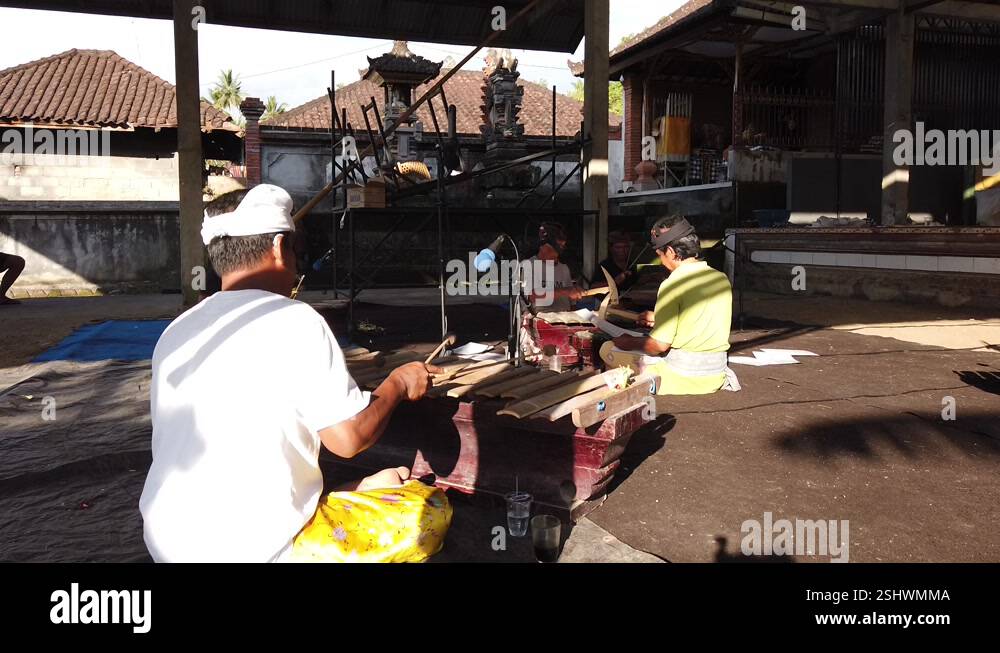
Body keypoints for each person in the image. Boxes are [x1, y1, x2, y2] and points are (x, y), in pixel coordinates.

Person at [139, 184, 451, 562]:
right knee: (428, 510)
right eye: (293, 248)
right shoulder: (294, 318)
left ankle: (352, 492)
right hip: (251, 550)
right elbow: (349, 439)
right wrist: (399, 382)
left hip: (169, 542)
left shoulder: (177, 329)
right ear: (277, 247)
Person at [600, 214, 736, 395]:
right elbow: (699, 317)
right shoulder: (720, 278)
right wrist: (658, 317)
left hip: (682, 377)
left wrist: (628, 342)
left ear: (671, 252)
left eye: (660, 254)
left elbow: (658, 346)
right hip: (715, 374)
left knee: (607, 348)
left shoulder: (672, 284)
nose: (661, 259)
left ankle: (616, 399)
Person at [524, 222, 583, 313]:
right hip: (539, 320)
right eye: (556, 247)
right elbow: (532, 296)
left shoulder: (564, 269)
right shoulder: (528, 266)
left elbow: (572, 304)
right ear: (542, 246)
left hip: (565, 321)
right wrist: (566, 291)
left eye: (562, 247)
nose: (558, 252)